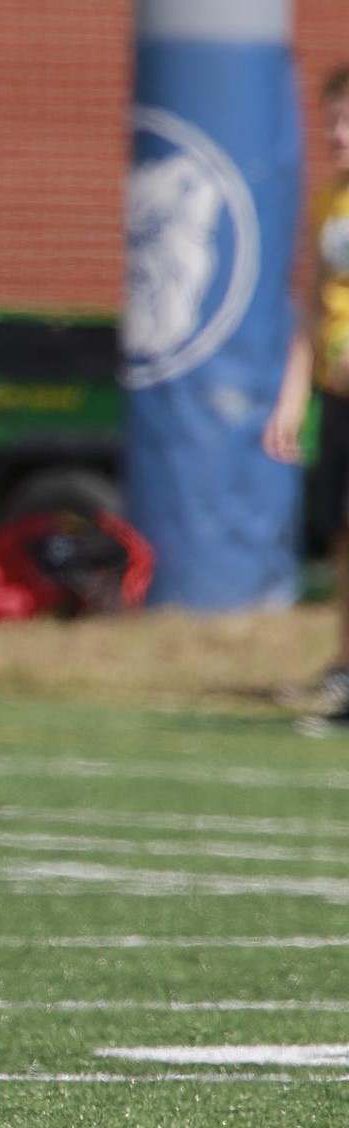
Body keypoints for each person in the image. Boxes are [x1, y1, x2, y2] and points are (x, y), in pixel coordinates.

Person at [268, 64, 349, 733]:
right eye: (331, 121)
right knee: (342, 540)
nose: (339, 134)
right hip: (338, 399)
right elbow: (312, 312)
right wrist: (292, 400)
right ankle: (346, 672)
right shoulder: (330, 203)